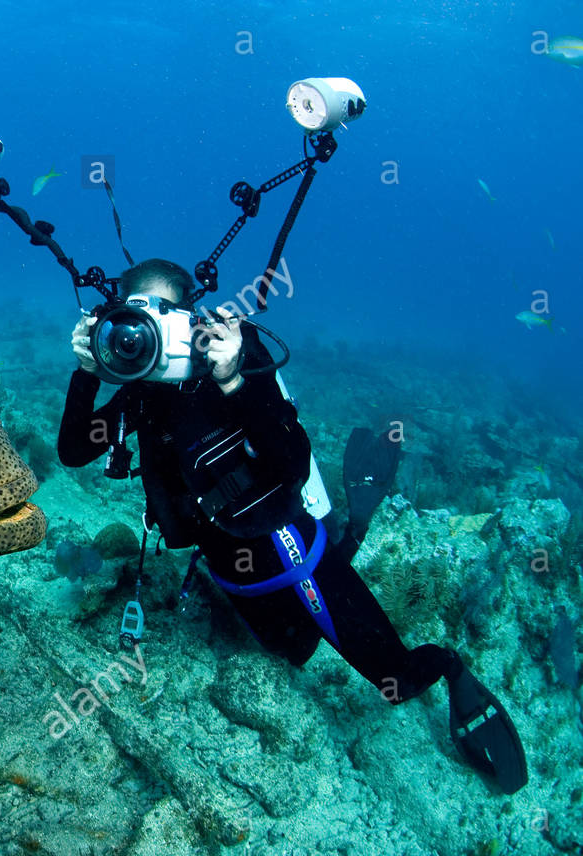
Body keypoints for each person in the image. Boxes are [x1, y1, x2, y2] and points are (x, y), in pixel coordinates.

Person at [57, 257, 527, 794]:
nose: (145, 333)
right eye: (132, 317)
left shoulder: (231, 361)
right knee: (294, 656)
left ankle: (445, 661)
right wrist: (86, 372)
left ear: (189, 315)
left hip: (292, 556)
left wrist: (234, 378)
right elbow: (73, 450)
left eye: (162, 313)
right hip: (231, 572)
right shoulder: (141, 391)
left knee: (395, 682)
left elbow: (291, 464)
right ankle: (348, 542)